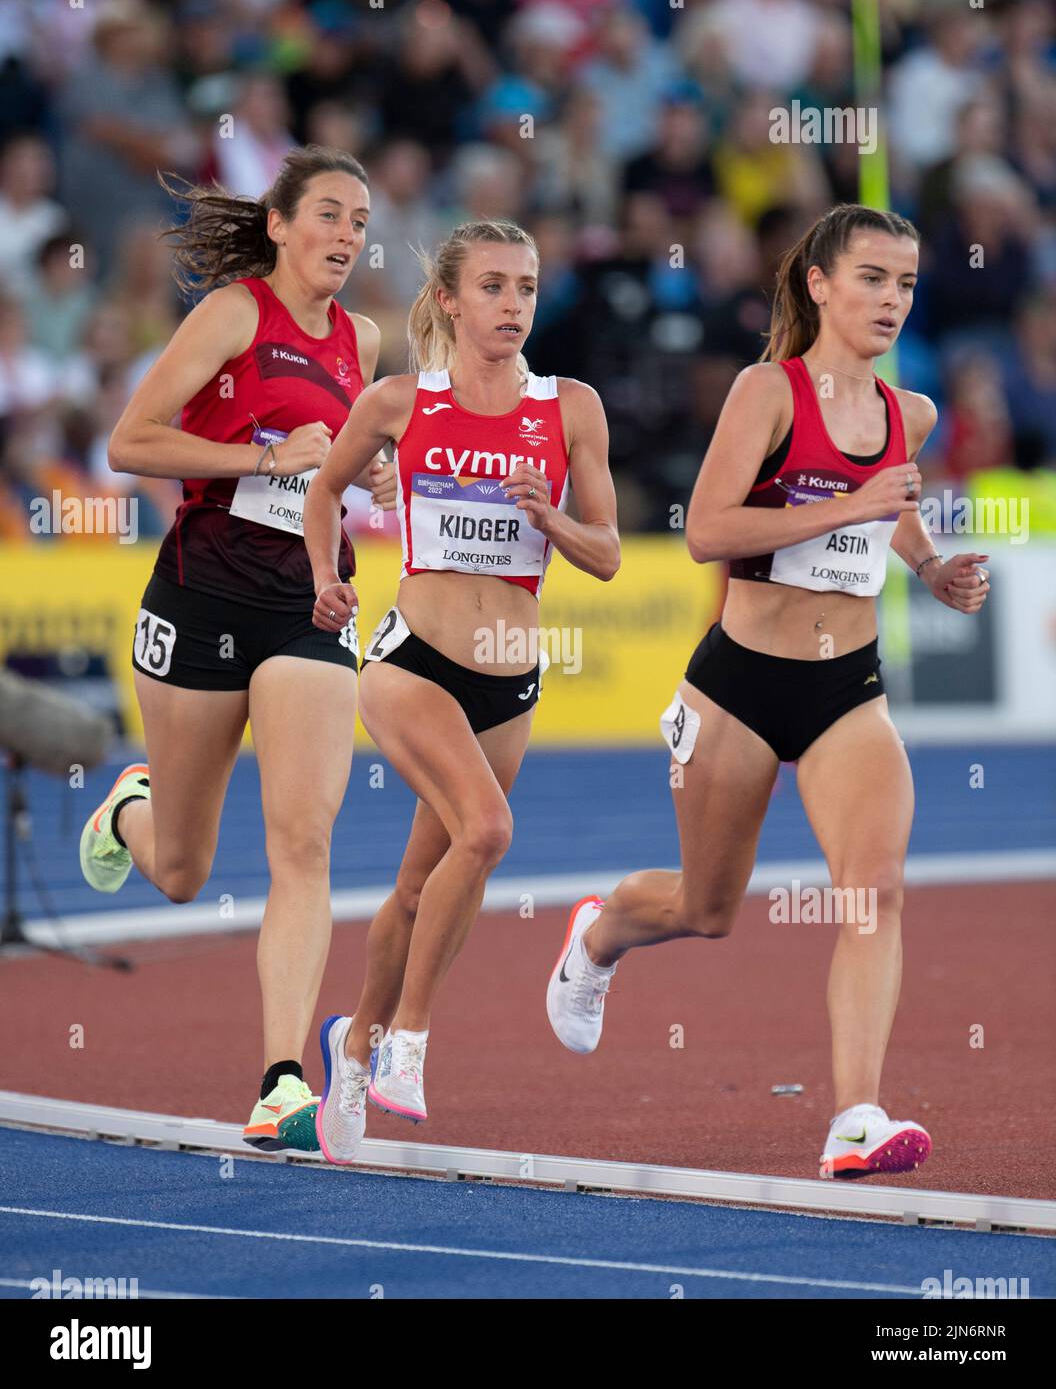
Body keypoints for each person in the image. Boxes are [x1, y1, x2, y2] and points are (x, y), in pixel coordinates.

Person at [547, 203, 991, 1180]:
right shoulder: (768, 393)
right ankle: (601, 932)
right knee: (709, 907)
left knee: (873, 892)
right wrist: (853, 504)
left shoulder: (907, 411)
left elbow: (894, 511)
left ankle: (855, 1118)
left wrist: (931, 570)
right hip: (738, 688)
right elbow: (708, 529)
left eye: (907, 282)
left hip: (849, 690)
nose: (892, 299)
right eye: (872, 277)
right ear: (819, 285)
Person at [78, 146, 395, 1152]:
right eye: (330, 216)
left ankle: (280, 1080)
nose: (347, 236)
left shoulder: (364, 338)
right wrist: (258, 456)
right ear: (279, 223)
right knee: (180, 866)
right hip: (200, 590)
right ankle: (132, 804)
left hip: (308, 605)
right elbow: (131, 442)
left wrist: (370, 479)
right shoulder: (232, 316)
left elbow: (342, 459)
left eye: (359, 220)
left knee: (302, 841)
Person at [302, 219, 620, 1165]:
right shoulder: (402, 400)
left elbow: (606, 554)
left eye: (525, 288)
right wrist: (328, 575)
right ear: (449, 298)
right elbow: (323, 493)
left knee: (417, 884)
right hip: (411, 665)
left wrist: (548, 513)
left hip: (509, 682)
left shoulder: (573, 409)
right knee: (486, 831)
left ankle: (353, 1043)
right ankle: (410, 1042)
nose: (512, 306)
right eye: (491, 287)